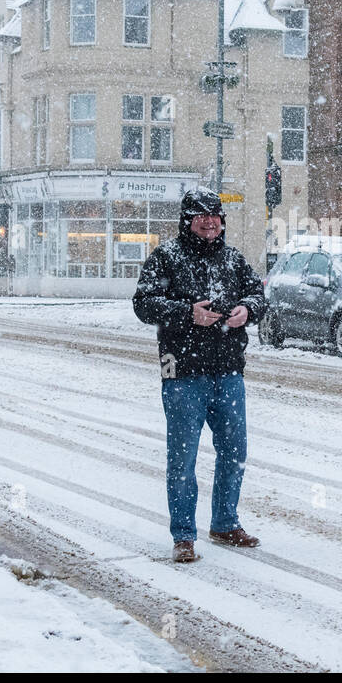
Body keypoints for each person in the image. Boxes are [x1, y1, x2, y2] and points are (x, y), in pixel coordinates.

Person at [133, 188, 267, 563]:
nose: (210, 221)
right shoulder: (166, 258)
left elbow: (258, 294)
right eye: (201, 215)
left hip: (228, 370)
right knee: (183, 457)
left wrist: (247, 310)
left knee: (235, 451)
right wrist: (186, 313)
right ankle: (184, 535)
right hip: (181, 370)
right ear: (187, 220)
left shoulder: (233, 259)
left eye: (215, 215)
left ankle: (224, 522)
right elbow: (143, 304)